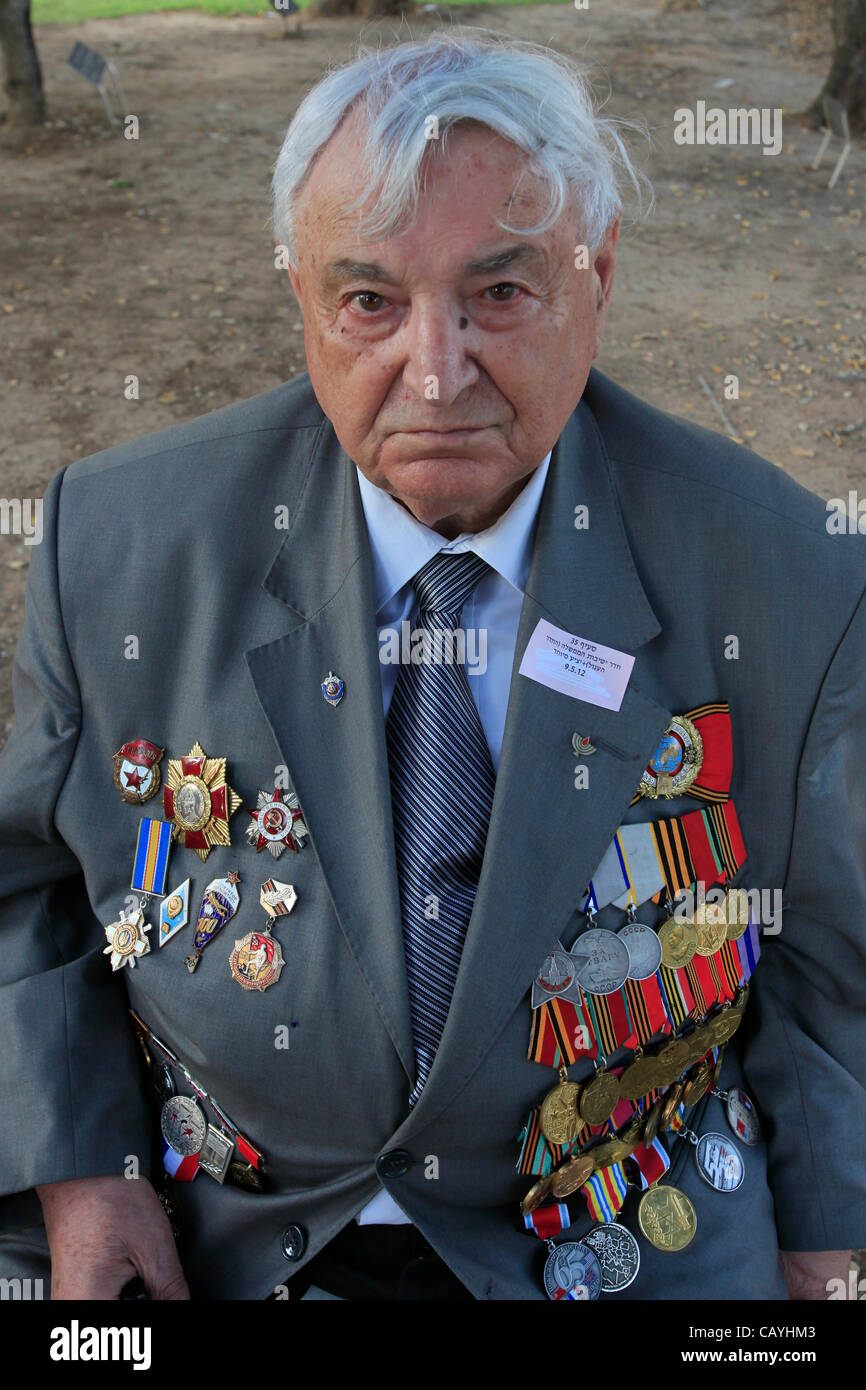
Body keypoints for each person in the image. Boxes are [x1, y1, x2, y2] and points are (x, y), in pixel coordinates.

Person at [0, 30, 863, 1303]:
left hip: (630, 1234)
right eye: (369, 303)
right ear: (301, 296)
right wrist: (82, 1165)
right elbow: (29, 893)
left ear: (596, 279)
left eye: (499, 294)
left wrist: (825, 1244)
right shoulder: (118, 541)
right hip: (211, 1230)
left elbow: (825, 964)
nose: (435, 371)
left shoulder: (785, 572)